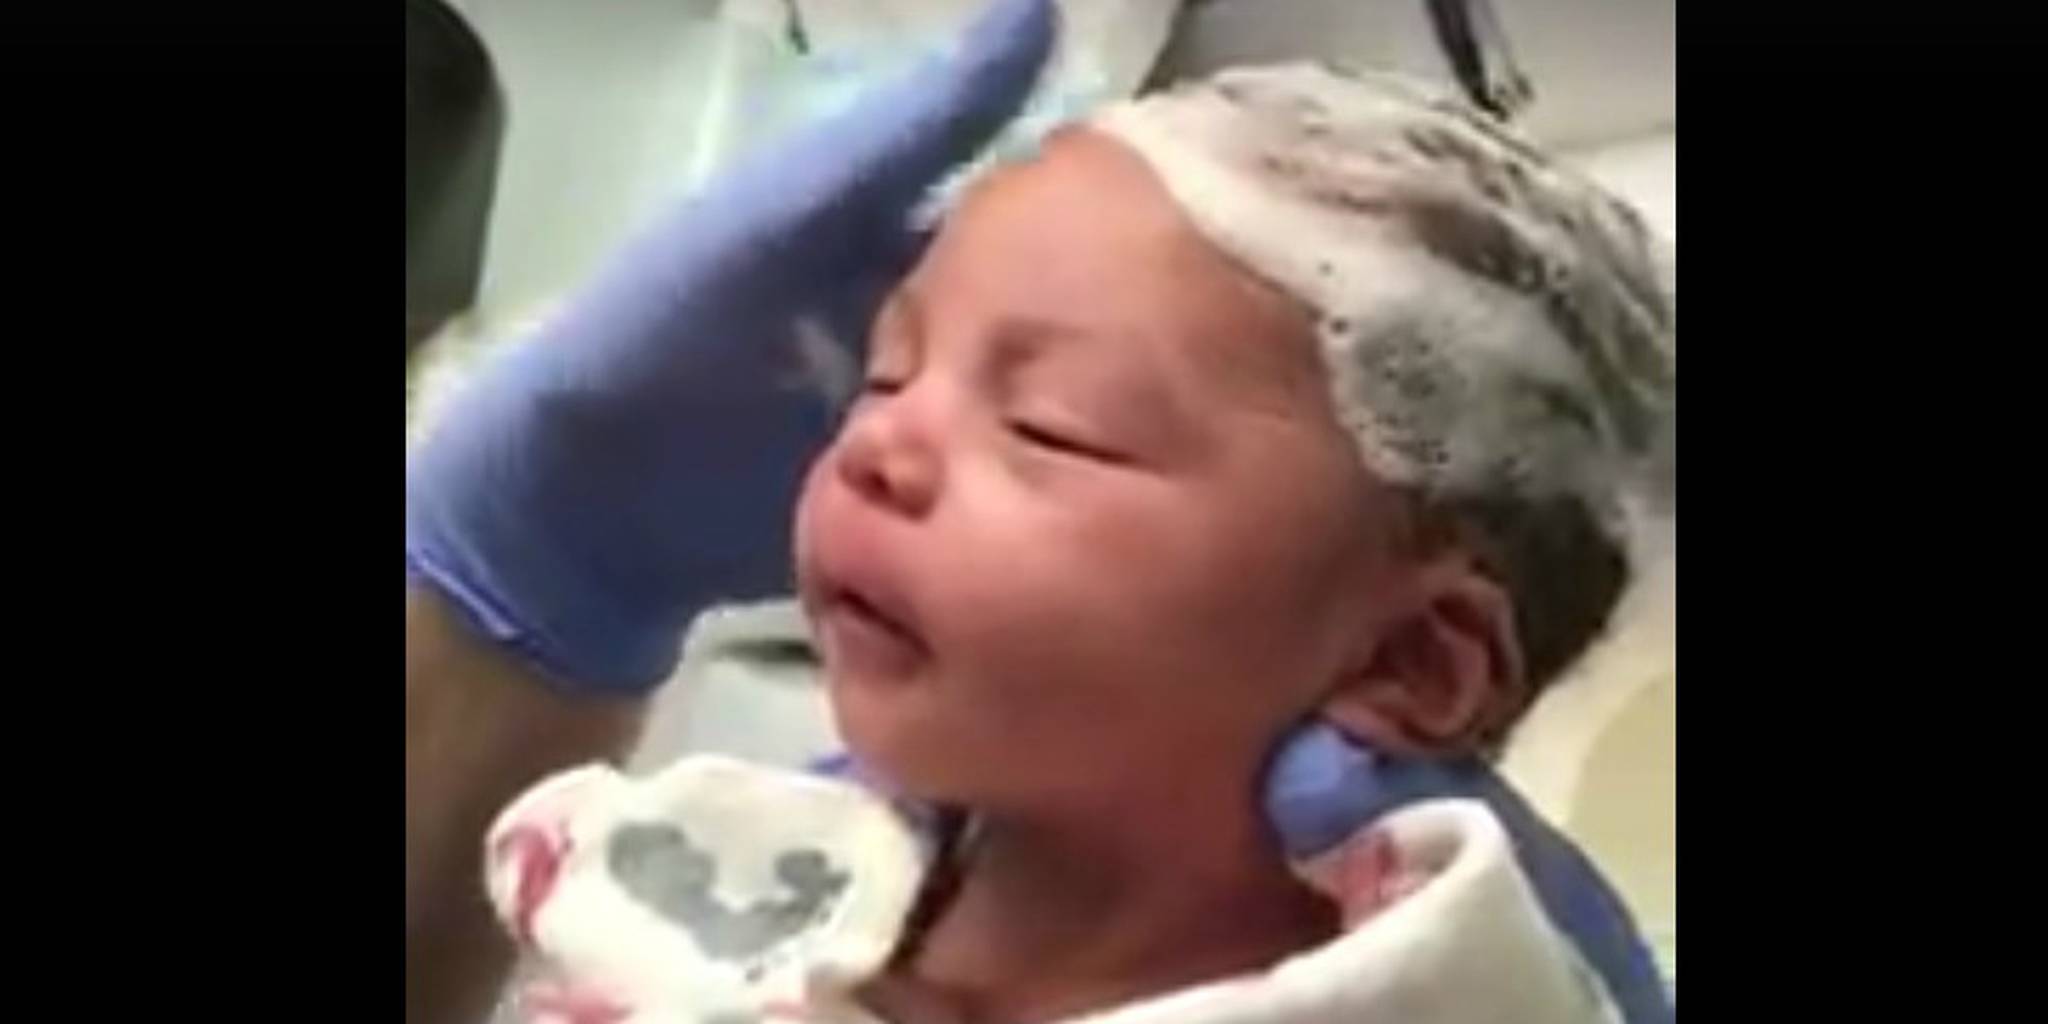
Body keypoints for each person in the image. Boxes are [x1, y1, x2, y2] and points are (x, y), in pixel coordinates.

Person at [405, 2, 1674, 1021]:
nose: (877, 444)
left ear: (1409, 657)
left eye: (1049, 423)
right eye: (886, 373)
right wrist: (523, 582)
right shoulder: (736, 882)